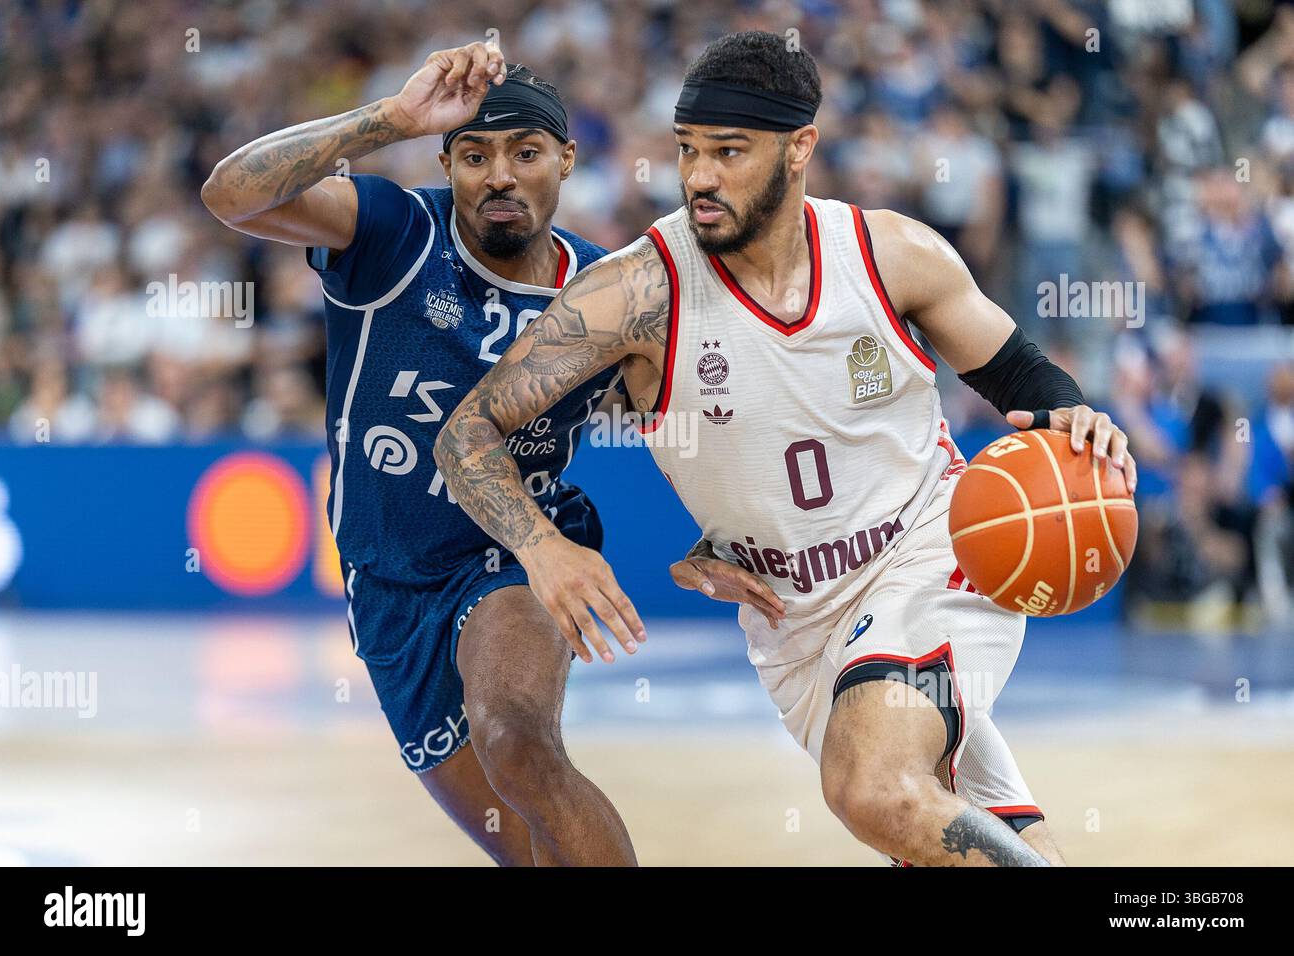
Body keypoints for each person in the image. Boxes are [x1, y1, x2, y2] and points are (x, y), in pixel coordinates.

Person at [436, 31, 1140, 867]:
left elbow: (1020, 372)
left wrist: (1076, 418)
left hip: (929, 554)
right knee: (949, 831)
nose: (699, 176)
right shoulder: (636, 292)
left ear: (800, 147)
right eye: (688, 150)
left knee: (872, 788)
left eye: (728, 152)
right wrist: (543, 548)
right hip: (796, 627)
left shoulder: (891, 254)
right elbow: (466, 433)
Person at [201, 41, 637, 866]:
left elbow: (695, 413)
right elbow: (230, 193)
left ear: (567, 160)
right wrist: (391, 118)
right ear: (446, 165)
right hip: (389, 578)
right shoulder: (395, 231)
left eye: (525, 153)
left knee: (515, 740)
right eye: (475, 156)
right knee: (524, 846)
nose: (499, 176)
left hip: (514, 551)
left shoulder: (608, 288)